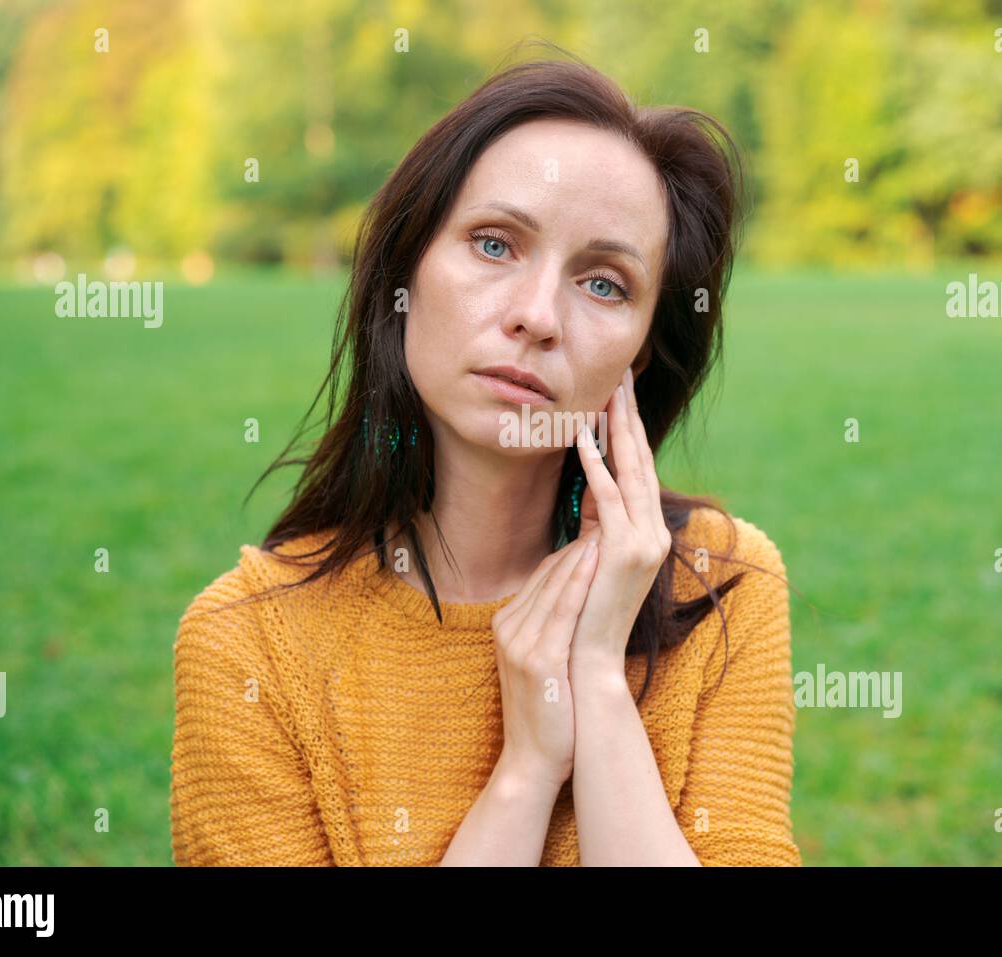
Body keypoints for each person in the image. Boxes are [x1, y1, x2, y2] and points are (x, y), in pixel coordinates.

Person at [170, 48, 802, 867]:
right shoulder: (247, 644)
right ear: (407, 273)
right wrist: (526, 772)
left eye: (604, 283)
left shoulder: (726, 584)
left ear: (640, 355)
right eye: (496, 244)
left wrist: (600, 684)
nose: (538, 316)